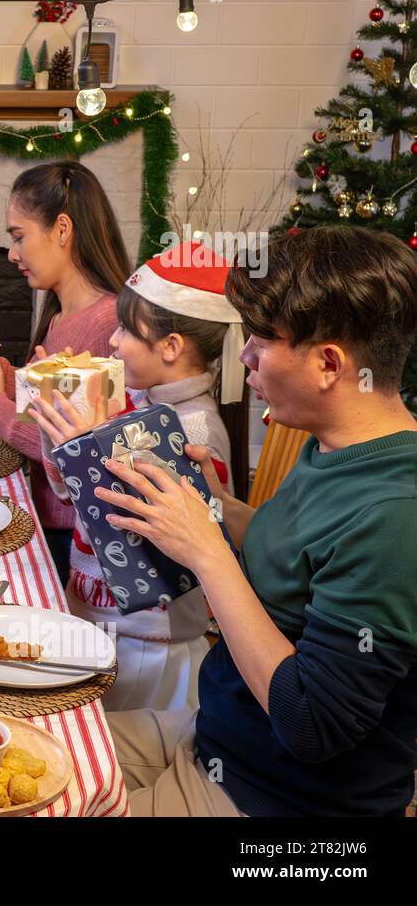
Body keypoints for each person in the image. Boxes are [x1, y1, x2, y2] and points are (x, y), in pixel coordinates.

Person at [94, 225, 417, 816]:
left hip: (270, 798)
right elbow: (295, 556)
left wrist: (207, 552)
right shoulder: (333, 444)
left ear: (327, 364)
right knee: (37, 741)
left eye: (262, 343)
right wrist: (214, 505)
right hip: (213, 737)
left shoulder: (395, 517)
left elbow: (310, 723)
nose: (243, 356)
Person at [30, 242, 245, 711]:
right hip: (94, 610)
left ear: (170, 346)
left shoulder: (194, 430)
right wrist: (58, 418)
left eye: (127, 330)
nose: (111, 341)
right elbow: (68, 494)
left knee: (113, 742)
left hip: (148, 640)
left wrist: (86, 442)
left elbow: (152, 536)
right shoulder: (135, 403)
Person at [0, 161, 130, 583]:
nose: (11, 254)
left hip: (74, 541)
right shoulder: (63, 312)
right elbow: (46, 404)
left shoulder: (108, 325)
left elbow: (81, 452)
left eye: (18, 236)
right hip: (44, 515)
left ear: (62, 229)